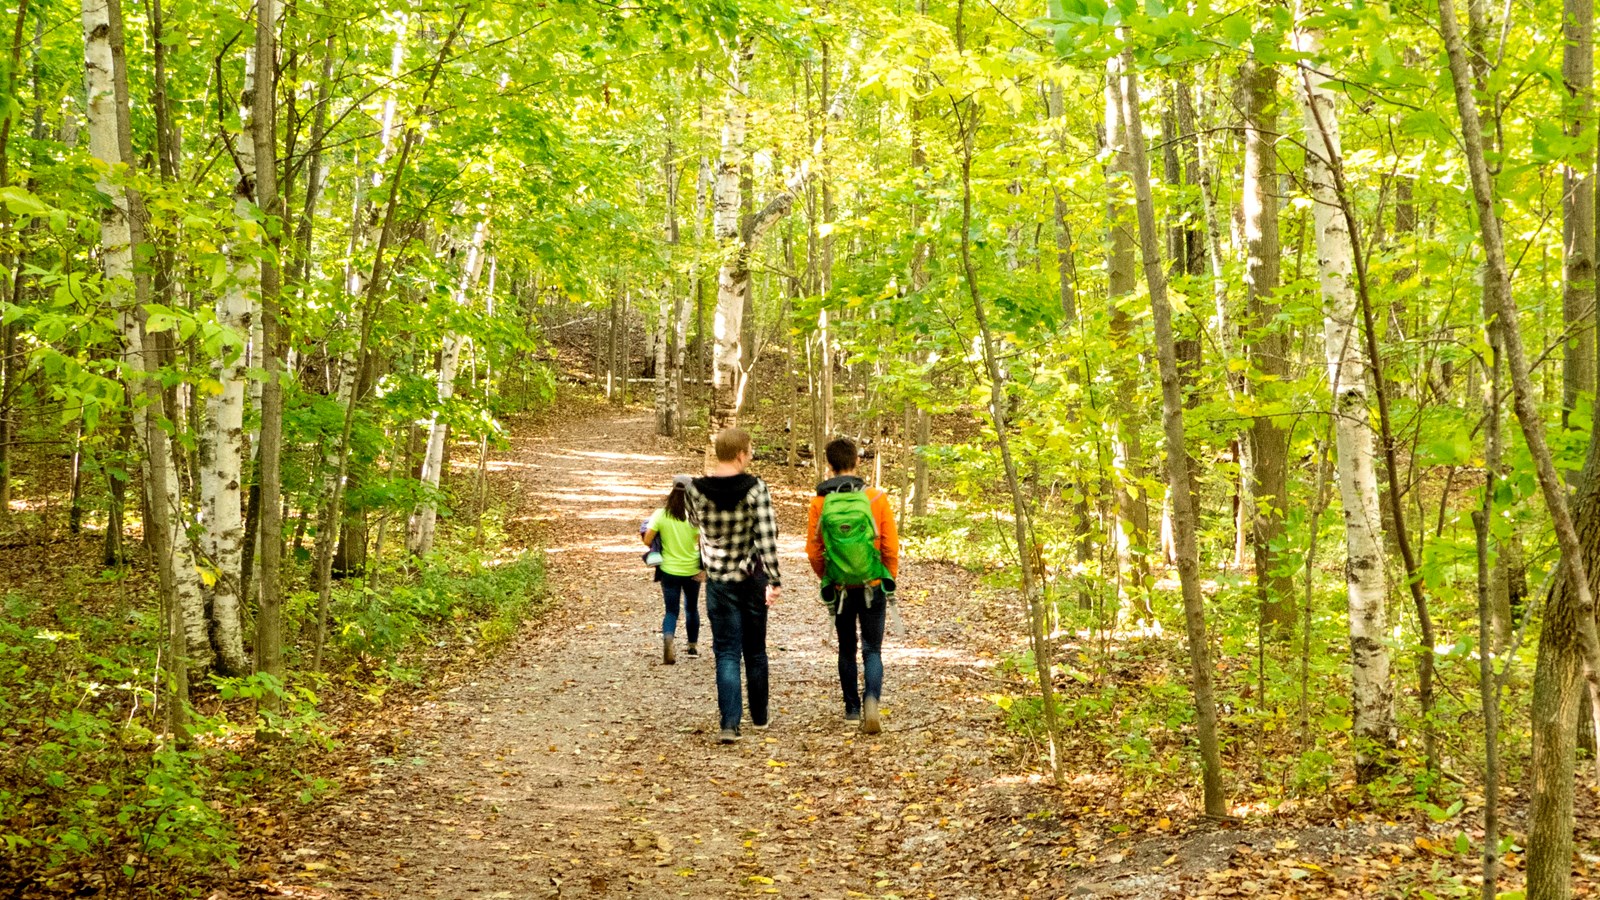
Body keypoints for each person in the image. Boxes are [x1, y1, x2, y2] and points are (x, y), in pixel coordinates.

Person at [685, 428, 782, 744]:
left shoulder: (695, 490)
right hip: (752, 578)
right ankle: (760, 717)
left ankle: (730, 723)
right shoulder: (756, 489)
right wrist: (775, 580)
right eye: (750, 450)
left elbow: (693, 525)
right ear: (741, 454)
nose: (751, 454)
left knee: (726, 651)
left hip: (718, 581)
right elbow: (767, 537)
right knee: (755, 649)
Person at [806, 437, 899, 734]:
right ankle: (872, 699)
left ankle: (851, 709)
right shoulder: (876, 498)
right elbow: (890, 546)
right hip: (872, 582)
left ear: (829, 465)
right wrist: (888, 577)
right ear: (857, 462)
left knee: (846, 648)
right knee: (872, 649)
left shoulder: (819, 502)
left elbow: (813, 550)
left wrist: (828, 577)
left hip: (840, 588)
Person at [641, 475, 703, 665]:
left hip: (669, 569)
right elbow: (704, 544)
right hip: (692, 569)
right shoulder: (696, 515)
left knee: (671, 611)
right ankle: (692, 647)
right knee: (691, 607)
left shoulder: (661, 514)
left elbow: (647, 540)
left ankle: (669, 637)